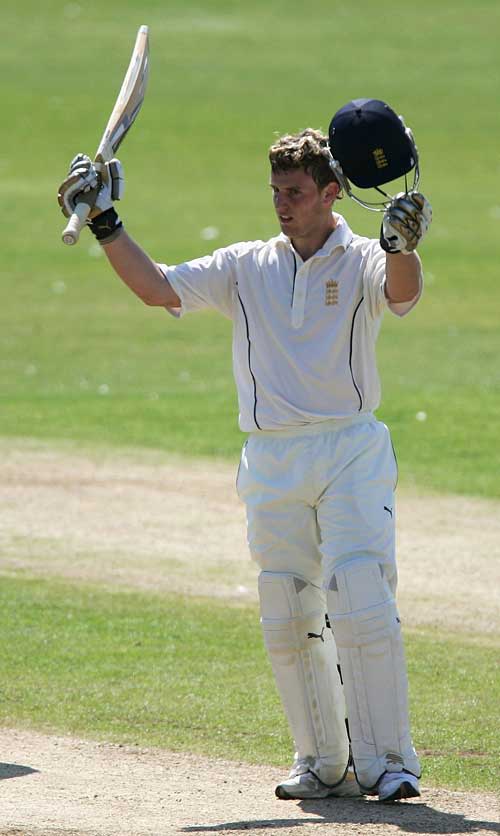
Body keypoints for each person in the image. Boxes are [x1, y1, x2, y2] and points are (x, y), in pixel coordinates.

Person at [58, 118, 431, 804]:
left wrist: (404, 246)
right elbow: (157, 287)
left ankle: (389, 765)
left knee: (360, 599)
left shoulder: (363, 259)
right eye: (275, 192)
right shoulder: (247, 265)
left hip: (349, 450)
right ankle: (323, 764)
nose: (282, 204)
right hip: (270, 459)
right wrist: (107, 221)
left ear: (331, 193)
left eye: (294, 191)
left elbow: (402, 293)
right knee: (286, 608)